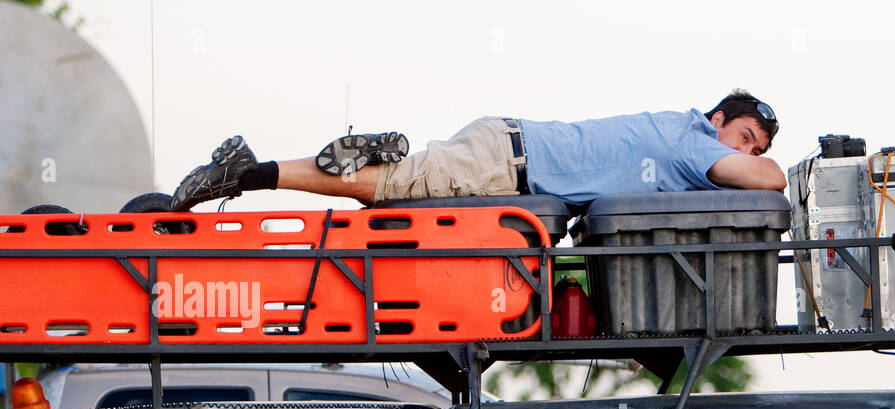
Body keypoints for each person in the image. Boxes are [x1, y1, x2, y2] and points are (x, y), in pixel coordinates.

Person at [170, 90, 784, 211]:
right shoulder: (692, 142)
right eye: (746, 139)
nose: (747, 154)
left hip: (509, 157)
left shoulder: (676, 131)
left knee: (392, 205)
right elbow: (769, 181)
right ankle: (248, 173)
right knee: (386, 186)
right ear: (718, 120)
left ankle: (377, 154)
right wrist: (762, 165)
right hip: (505, 162)